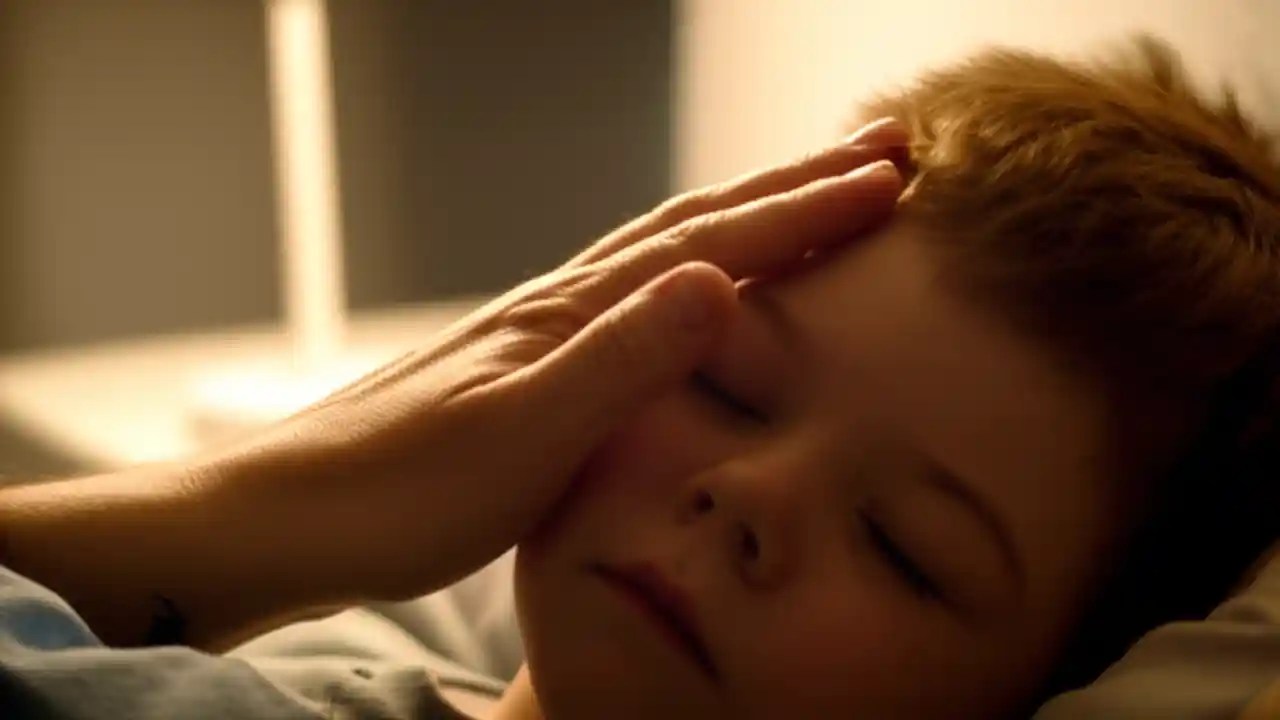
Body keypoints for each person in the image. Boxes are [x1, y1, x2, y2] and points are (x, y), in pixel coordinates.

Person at [0, 121, 908, 717]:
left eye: (905, 544)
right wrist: (293, 506)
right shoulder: (351, 647)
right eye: (728, 385)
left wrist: (265, 511)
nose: (751, 489)